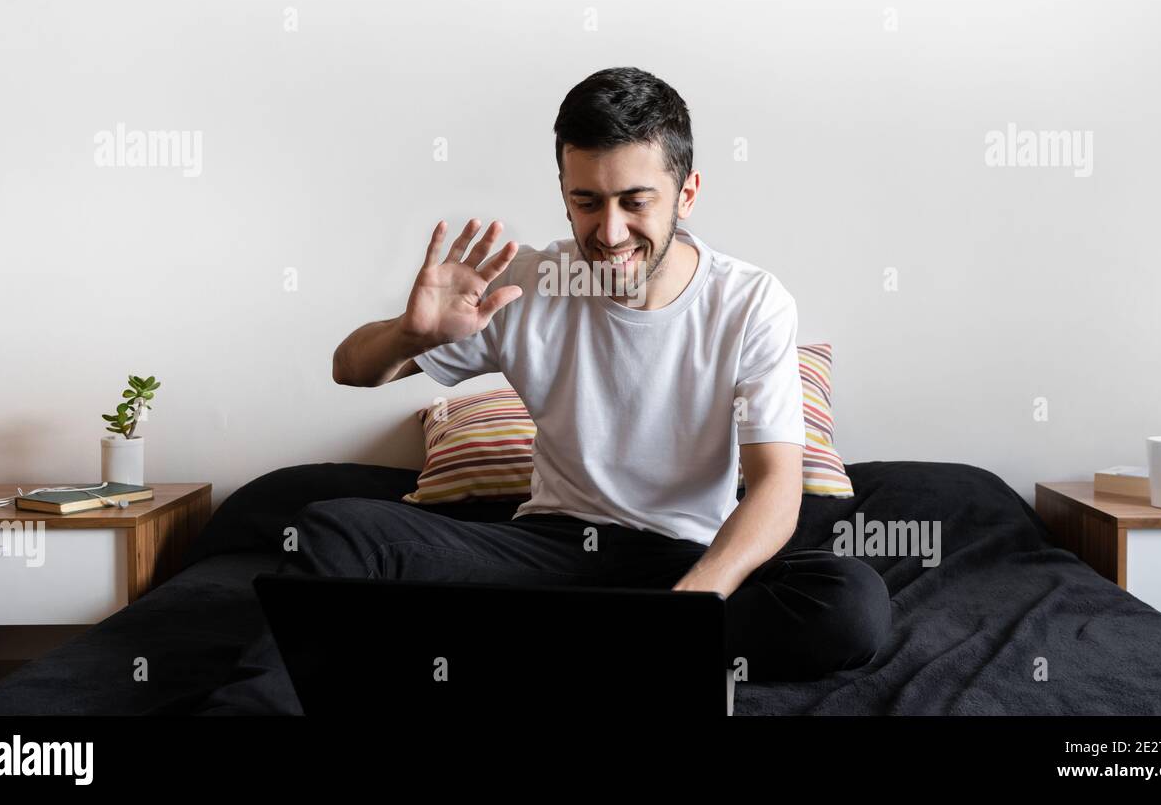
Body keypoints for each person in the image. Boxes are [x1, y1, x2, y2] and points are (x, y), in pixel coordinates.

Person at [194, 67, 890, 714]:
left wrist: (689, 609)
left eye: (634, 202)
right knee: (335, 526)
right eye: (585, 202)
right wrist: (413, 333)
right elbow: (351, 368)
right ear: (562, 192)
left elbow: (776, 490)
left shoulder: (751, 303)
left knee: (849, 601)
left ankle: (548, 647)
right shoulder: (526, 284)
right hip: (548, 555)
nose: (609, 232)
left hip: (680, 560)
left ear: (688, 192)